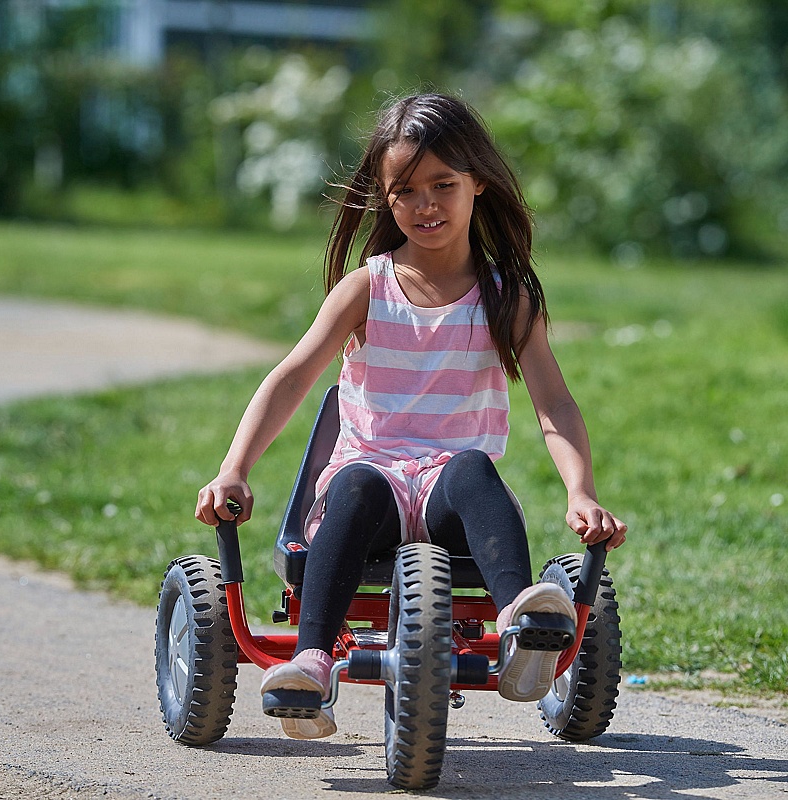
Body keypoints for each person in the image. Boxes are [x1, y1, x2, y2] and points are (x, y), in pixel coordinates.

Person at [195, 93, 627, 740]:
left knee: (474, 468)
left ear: (478, 183)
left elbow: (555, 404)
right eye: (405, 190)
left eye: (443, 185)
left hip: (451, 496)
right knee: (355, 481)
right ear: (384, 196)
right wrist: (235, 468)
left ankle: (520, 629)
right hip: (371, 490)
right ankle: (311, 664)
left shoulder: (506, 298)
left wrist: (580, 490)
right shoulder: (367, 289)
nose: (425, 204)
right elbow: (290, 379)